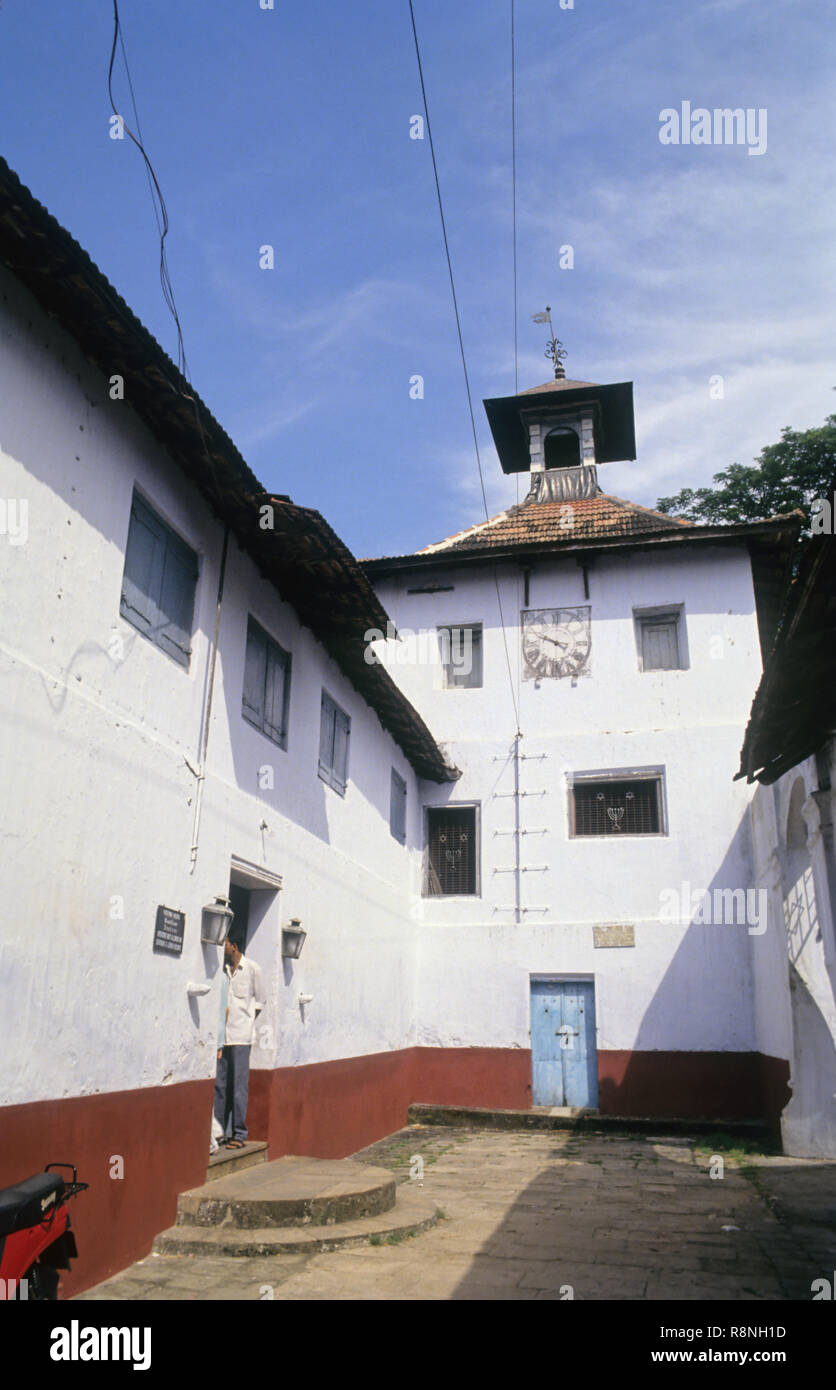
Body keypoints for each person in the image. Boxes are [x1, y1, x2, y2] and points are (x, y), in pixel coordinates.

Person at [213, 934, 266, 1150]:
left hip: (241, 1038)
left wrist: (246, 1021)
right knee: (220, 1086)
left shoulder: (253, 969)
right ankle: (218, 1132)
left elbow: (261, 1001)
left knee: (238, 1087)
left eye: (225, 943)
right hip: (223, 1038)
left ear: (234, 946)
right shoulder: (223, 970)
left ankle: (239, 1133)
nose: (222, 947)